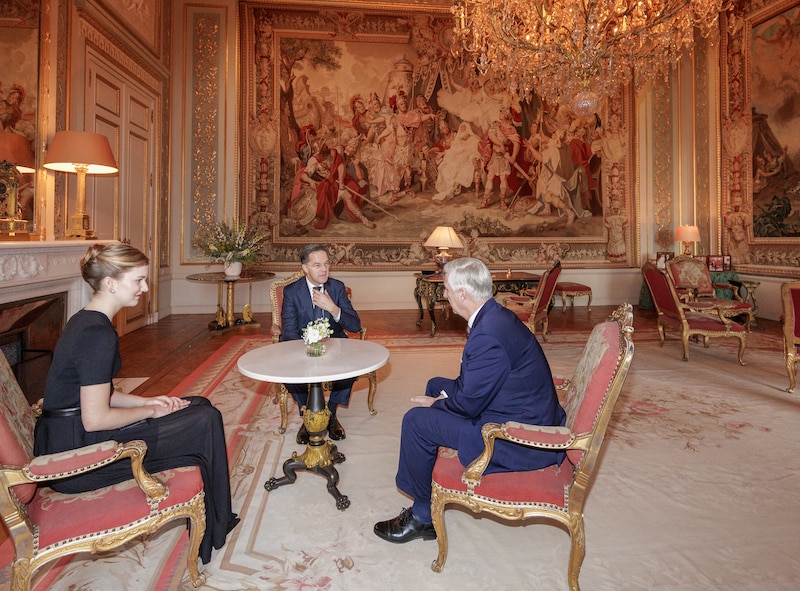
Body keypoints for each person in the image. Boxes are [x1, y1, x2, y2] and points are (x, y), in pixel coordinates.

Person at [33, 243, 238, 565]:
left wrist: (148, 400)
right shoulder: (98, 334)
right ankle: (214, 527)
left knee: (196, 404)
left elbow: (100, 393)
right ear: (111, 283)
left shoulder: (85, 321)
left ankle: (215, 520)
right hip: (76, 458)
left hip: (61, 438)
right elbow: (96, 418)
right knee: (204, 419)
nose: (144, 288)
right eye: (138, 280)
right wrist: (151, 411)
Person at [373, 257, 566, 543]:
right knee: (435, 385)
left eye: (447, 289)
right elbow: (477, 382)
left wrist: (437, 405)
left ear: (463, 293)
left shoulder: (489, 333)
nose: (445, 294)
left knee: (415, 421)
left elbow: (469, 404)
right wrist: (441, 397)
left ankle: (423, 516)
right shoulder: (495, 316)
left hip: (516, 435)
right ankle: (433, 476)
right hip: (517, 406)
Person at [280, 244, 363, 444]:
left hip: (335, 343)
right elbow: (289, 331)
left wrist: (334, 309)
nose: (324, 269)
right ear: (305, 268)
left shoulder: (337, 287)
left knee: (354, 365)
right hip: (302, 344)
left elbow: (355, 325)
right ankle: (307, 414)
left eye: (326, 264)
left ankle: (331, 413)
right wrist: (308, 351)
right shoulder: (292, 292)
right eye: (317, 265)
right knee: (285, 369)